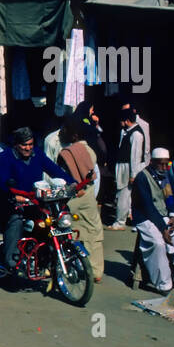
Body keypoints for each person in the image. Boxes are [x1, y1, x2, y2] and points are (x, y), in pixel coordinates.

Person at [0, 127, 79, 271]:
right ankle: (12, 260)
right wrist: (14, 195)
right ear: (16, 144)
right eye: (24, 145)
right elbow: (3, 181)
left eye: (30, 144)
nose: (28, 148)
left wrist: (72, 182)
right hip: (13, 201)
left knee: (55, 220)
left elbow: (54, 170)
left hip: (36, 200)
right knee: (16, 222)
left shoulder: (37, 154)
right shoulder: (5, 157)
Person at [133, 147, 174, 294]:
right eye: (161, 164)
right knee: (157, 244)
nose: (164, 168)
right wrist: (163, 228)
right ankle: (163, 284)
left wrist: (173, 216)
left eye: (166, 164)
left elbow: (171, 199)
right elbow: (147, 206)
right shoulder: (142, 178)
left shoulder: (165, 177)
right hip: (146, 218)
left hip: (165, 216)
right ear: (152, 162)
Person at [57, 121, 104, 283]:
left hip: (73, 196)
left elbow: (62, 177)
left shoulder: (68, 152)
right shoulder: (90, 150)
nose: (60, 133)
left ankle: (67, 266)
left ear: (74, 135)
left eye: (64, 129)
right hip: (89, 195)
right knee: (93, 232)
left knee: (66, 231)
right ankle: (96, 271)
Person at [109, 107, 149, 229]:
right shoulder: (126, 131)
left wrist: (133, 174)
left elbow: (135, 156)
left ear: (126, 120)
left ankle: (120, 222)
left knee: (123, 194)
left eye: (121, 121)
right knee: (124, 194)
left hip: (128, 167)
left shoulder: (136, 134)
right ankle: (125, 219)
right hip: (124, 166)